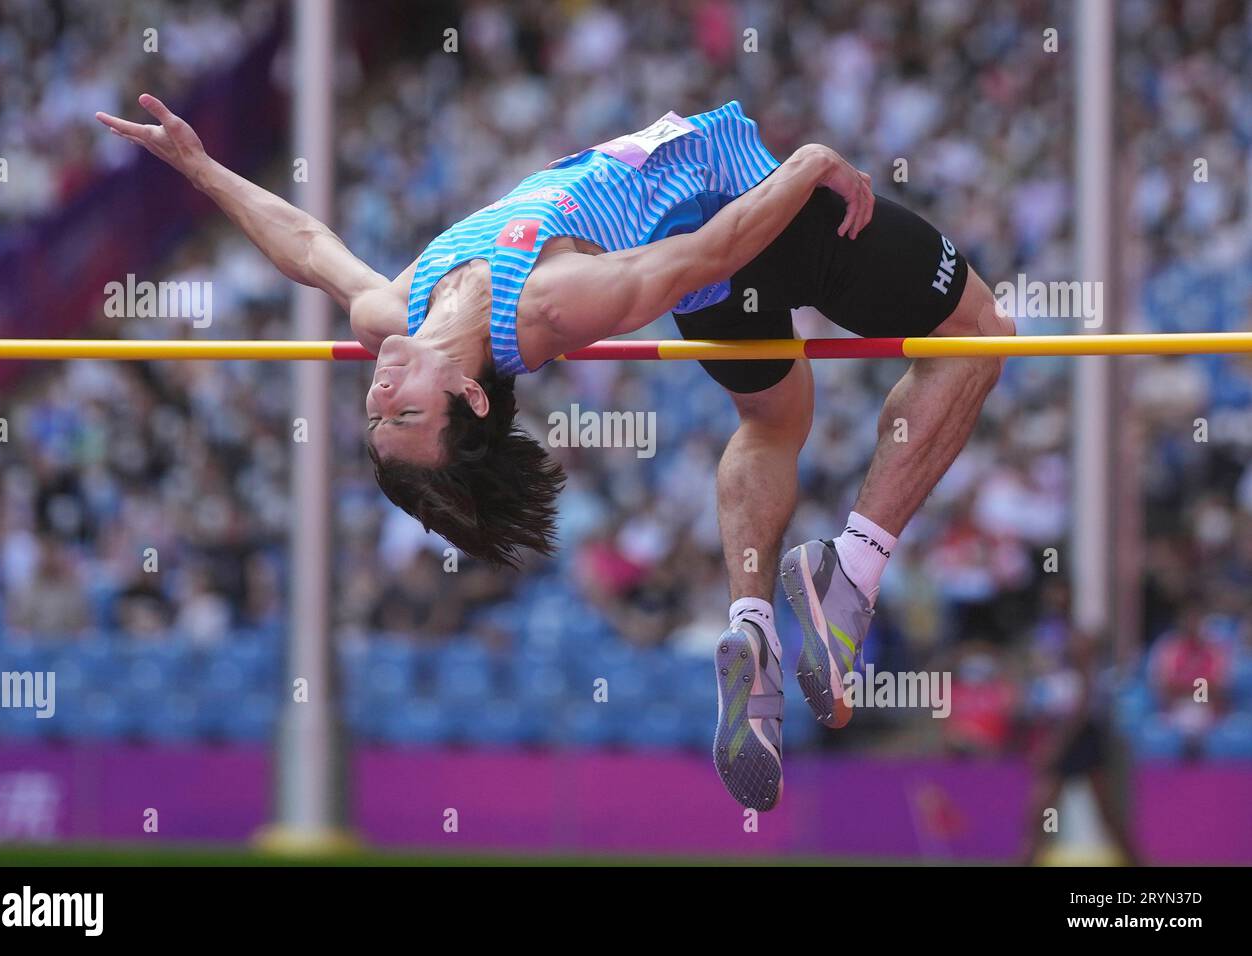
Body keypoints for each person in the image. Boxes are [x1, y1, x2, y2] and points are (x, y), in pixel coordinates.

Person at [97, 94, 1013, 811]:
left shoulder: (402, 309)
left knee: (772, 422)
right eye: (402, 416)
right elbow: (694, 259)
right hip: (750, 212)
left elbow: (311, 249)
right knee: (977, 332)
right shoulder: (546, 307)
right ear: (464, 396)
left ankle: (754, 628)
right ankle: (849, 576)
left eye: (376, 419)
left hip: (715, 247)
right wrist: (808, 165)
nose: (375, 398)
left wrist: (203, 167)